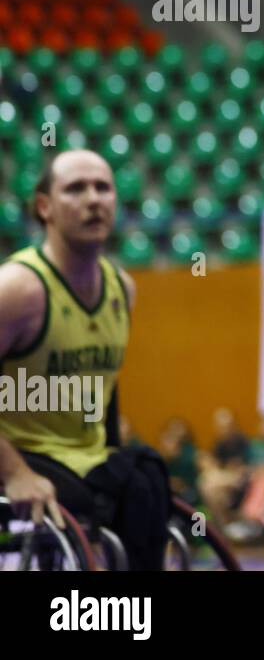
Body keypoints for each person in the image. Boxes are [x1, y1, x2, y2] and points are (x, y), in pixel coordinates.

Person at [0, 150, 169, 569]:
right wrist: (15, 473)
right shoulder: (18, 289)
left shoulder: (121, 289)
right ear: (45, 207)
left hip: (85, 459)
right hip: (21, 453)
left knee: (148, 476)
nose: (93, 199)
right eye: (76, 189)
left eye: (103, 188)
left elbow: (106, 393)